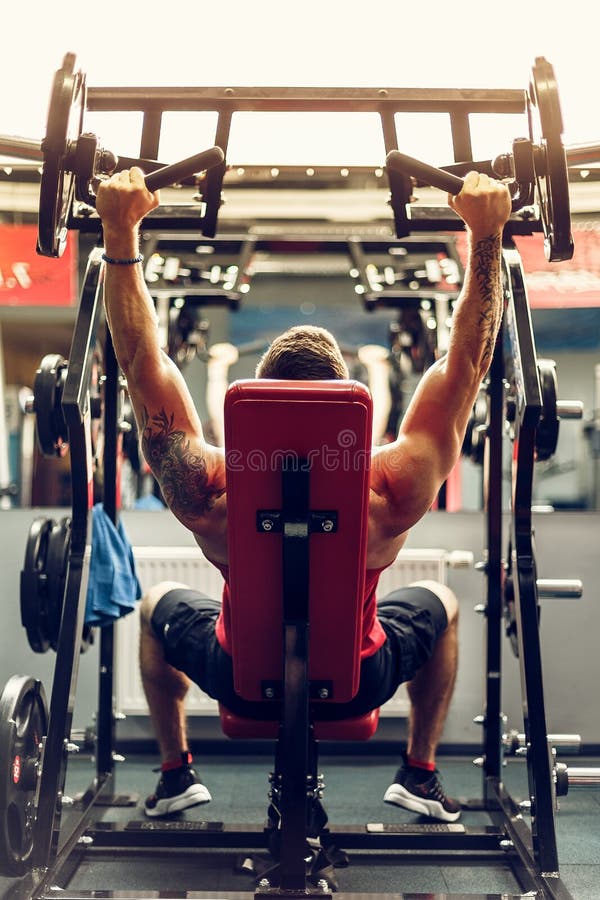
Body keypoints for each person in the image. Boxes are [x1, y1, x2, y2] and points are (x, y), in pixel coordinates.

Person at [96, 167, 511, 822]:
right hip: (356, 683)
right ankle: (420, 774)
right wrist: (486, 235)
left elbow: (143, 363)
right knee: (446, 603)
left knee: (154, 608)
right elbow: (467, 364)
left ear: (254, 402)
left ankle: (176, 775)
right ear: (348, 401)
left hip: (241, 678)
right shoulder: (391, 486)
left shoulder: (208, 490)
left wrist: (120, 235)